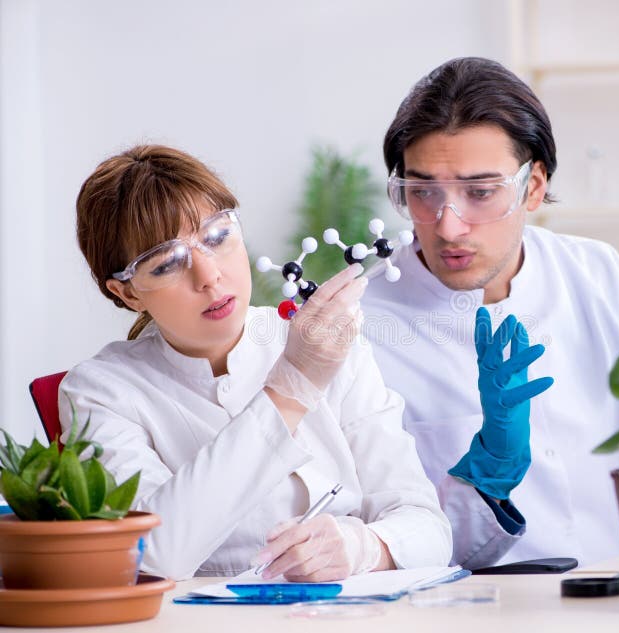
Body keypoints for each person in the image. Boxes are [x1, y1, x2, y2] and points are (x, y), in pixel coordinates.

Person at [361, 57, 619, 569]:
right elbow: (383, 545)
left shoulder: (598, 274)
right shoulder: (362, 323)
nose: (448, 226)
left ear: (533, 185)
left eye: (480, 192)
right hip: (477, 612)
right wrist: (487, 473)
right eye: (422, 192)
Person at [58, 144, 452, 581]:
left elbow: (429, 529)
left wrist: (364, 548)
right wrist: (290, 389)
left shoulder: (322, 340)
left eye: (217, 237)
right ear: (127, 293)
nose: (208, 276)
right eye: (168, 263)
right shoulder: (100, 391)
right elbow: (151, 555)